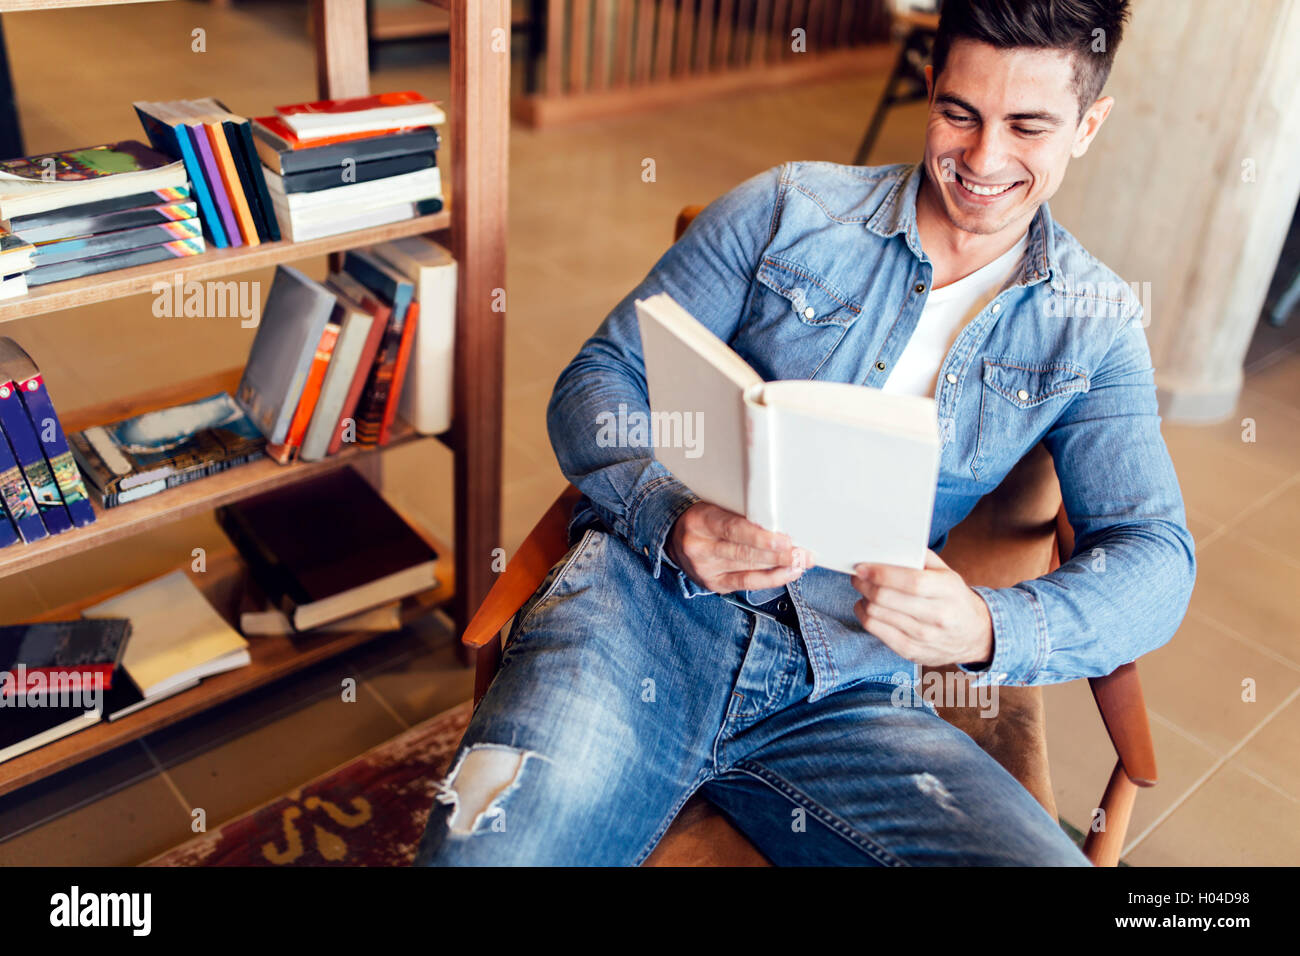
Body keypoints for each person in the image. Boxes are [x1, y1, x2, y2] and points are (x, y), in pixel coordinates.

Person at [416, 0, 1194, 866]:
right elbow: (597, 380)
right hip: (645, 611)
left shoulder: (1093, 323)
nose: (982, 160)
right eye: (959, 113)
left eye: (1029, 126)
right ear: (930, 86)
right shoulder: (789, 208)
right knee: (480, 857)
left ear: (1088, 126)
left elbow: (1156, 556)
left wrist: (985, 626)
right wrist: (670, 513)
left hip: (848, 687)